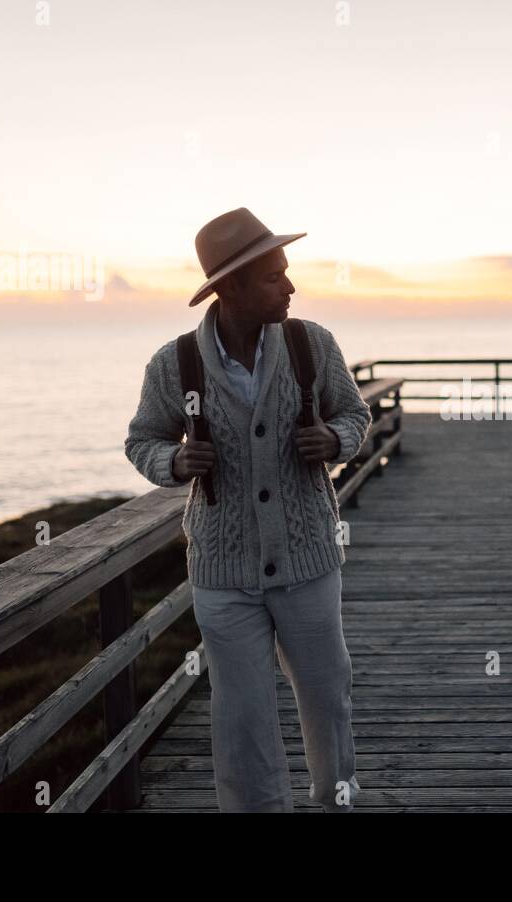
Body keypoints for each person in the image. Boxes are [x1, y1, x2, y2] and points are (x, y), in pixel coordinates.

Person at [124, 207, 372, 812]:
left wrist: (335, 440)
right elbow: (142, 440)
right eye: (274, 277)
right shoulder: (173, 364)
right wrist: (175, 464)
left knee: (326, 696)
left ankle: (336, 800)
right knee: (242, 716)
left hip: (308, 560)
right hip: (223, 574)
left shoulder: (312, 345)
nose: (290, 286)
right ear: (230, 286)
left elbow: (356, 415)